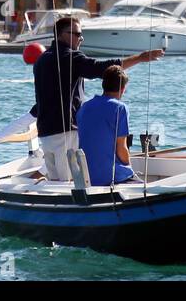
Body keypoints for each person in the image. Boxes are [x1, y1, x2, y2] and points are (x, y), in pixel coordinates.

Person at [32, 16, 163, 181]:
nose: (81, 39)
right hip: (65, 131)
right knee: (69, 182)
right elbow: (102, 68)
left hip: (45, 132)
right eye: (77, 34)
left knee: (55, 181)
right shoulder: (69, 57)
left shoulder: (41, 60)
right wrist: (140, 58)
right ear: (60, 34)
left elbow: (43, 98)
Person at [75, 66, 139, 186]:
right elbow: (121, 149)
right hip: (113, 177)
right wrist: (130, 169)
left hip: (87, 177)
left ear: (103, 85)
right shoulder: (120, 108)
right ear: (123, 89)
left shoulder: (83, 108)